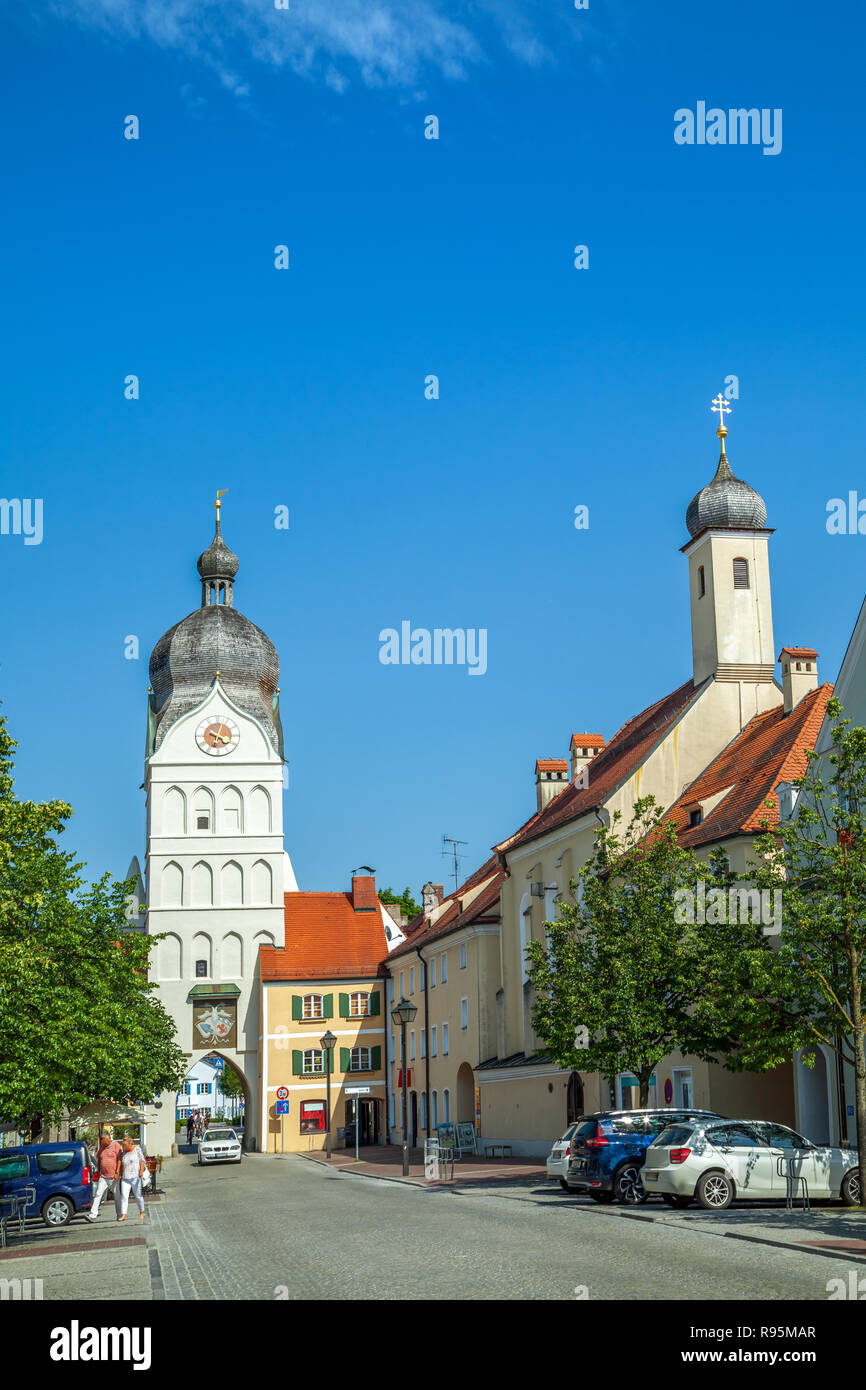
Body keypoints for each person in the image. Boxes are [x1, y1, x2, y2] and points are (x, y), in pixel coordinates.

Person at [87, 1133, 122, 1222]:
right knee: (98, 1194)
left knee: (117, 1196)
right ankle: (92, 1215)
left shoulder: (115, 1145)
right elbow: (99, 1159)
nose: (102, 1141)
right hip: (103, 1176)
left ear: (108, 1138)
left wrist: (117, 1172)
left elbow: (119, 1159)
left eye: (103, 1139)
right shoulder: (102, 1147)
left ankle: (119, 1215)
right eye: (101, 1139)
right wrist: (98, 1172)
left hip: (113, 1177)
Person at [116, 1136, 147, 1222]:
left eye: (126, 1146)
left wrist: (141, 1170)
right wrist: (119, 1173)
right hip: (125, 1178)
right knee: (124, 1197)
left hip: (135, 1177)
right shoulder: (123, 1153)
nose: (125, 1148)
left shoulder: (137, 1150)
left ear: (130, 1144)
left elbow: (142, 1161)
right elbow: (121, 1163)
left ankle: (141, 1212)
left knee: (138, 1196)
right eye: (123, 1146)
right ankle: (123, 1215)